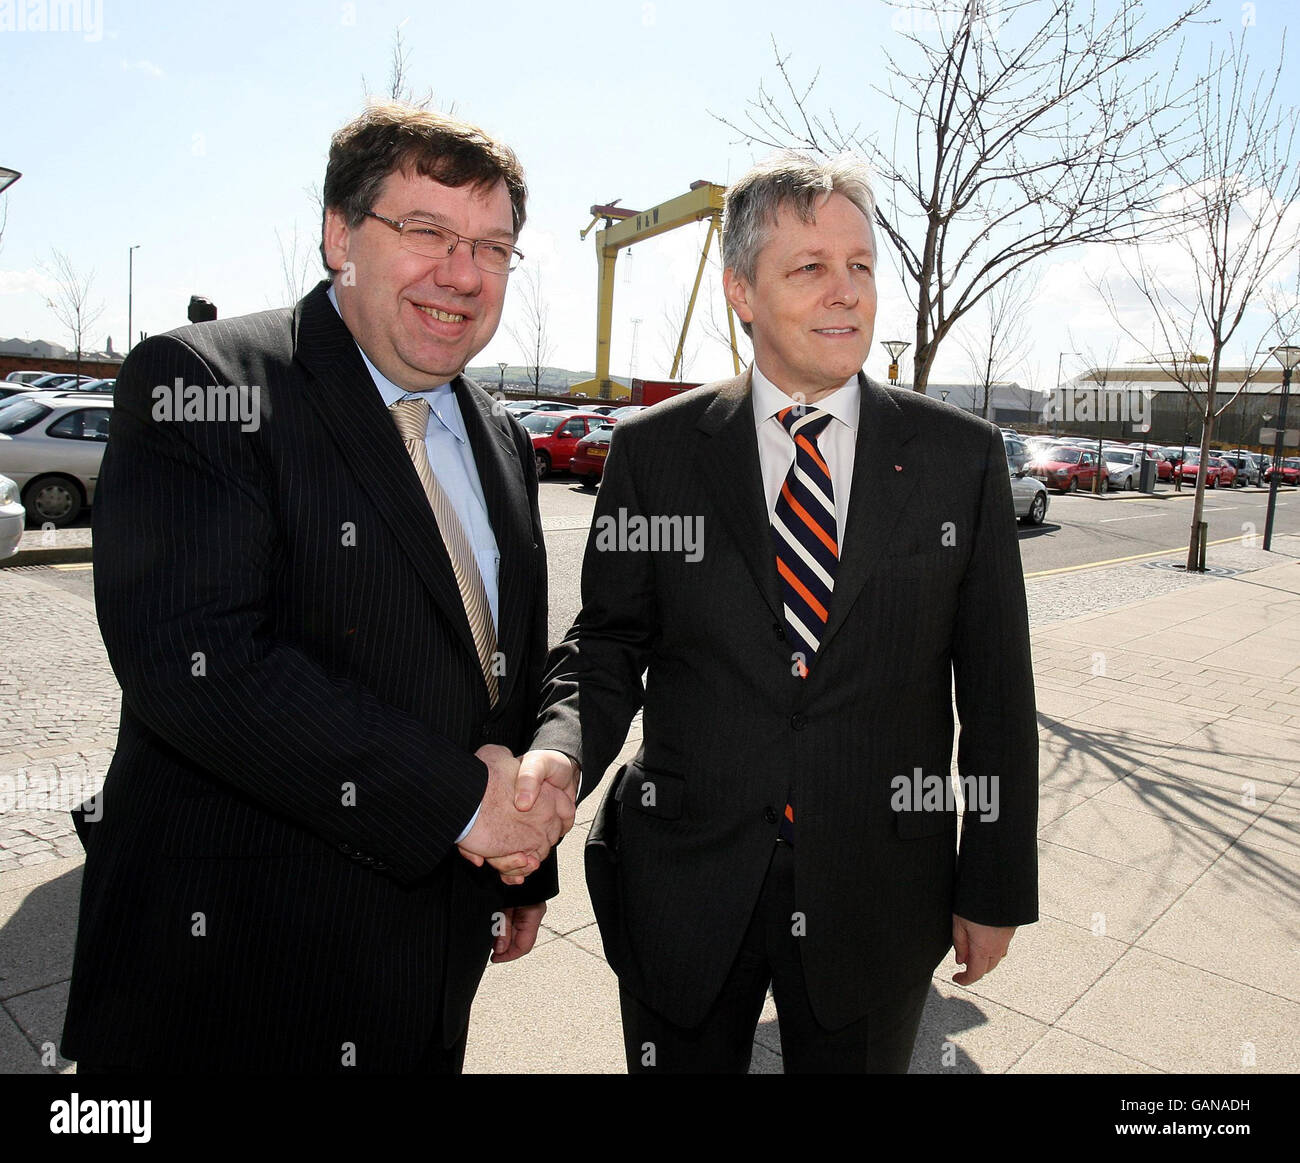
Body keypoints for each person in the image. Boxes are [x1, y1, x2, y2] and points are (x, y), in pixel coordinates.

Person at [61, 102, 576, 1074]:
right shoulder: (203, 384)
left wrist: (522, 858)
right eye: (426, 231)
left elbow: (506, 676)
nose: (463, 273)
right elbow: (199, 663)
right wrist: (469, 805)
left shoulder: (505, 441)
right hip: (230, 983)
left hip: (427, 966)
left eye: (493, 247)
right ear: (340, 234)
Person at [529, 151, 1039, 1073]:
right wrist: (560, 753)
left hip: (878, 895)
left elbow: (998, 693)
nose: (846, 293)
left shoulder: (957, 458)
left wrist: (996, 880)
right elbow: (608, 641)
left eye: (861, 266)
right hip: (681, 887)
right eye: (809, 268)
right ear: (741, 290)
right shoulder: (657, 453)